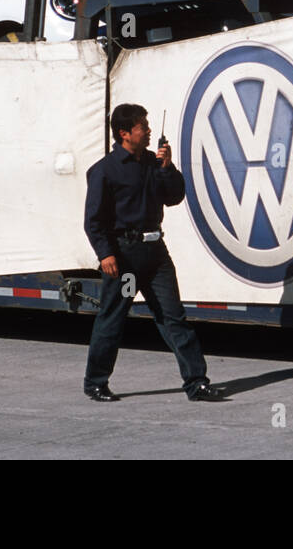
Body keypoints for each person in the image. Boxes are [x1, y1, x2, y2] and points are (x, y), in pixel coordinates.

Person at [82, 102, 223, 402]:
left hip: (155, 256)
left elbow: (173, 197)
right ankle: (95, 382)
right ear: (124, 133)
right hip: (126, 260)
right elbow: (93, 220)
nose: (147, 131)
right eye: (141, 127)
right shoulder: (104, 171)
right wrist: (105, 254)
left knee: (173, 317)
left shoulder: (152, 163)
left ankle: (196, 383)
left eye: (147, 125)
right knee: (114, 318)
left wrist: (167, 167)